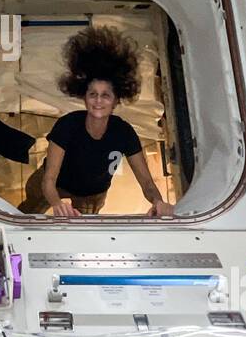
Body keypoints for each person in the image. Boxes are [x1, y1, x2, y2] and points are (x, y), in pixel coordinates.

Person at [18, 26, 174, 218]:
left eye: (106, 95)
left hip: (92, 195)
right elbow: (49, 179)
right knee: (27, 214)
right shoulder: (67, 125)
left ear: (116, 101)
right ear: (85, 98)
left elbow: (147, 184)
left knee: (83, 228)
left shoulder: (124, 132)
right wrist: (57, 204)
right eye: (93, 94)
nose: (98, 100)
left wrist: (158, 201)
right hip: (55, 185)